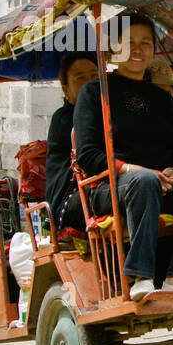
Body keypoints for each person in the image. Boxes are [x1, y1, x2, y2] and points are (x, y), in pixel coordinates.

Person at [73, 13, 173, 301]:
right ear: (113, 48)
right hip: (111, 185)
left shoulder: (161, 97)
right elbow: (88, 155)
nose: (138, 50)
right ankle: (141, 276)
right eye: (129, 42)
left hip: (161, 183)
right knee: (143, 181)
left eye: (145, 43)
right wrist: (132, 169)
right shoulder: (94, 92)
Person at [45, 50, 98, 232]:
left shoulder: (107, 112)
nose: (89, 82)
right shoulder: (63, 119)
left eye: (94, 75)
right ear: (66, 89)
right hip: (71, 198)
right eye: (80, 78)